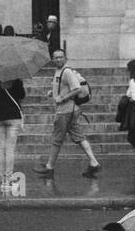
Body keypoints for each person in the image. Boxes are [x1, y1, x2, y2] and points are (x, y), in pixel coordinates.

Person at [34, 49, 101, 178]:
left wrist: (62, 98)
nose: (58, 59)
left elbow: (77, 89)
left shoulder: (67, 71)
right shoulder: (59, 71)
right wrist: (52, 92)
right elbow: (62, 86)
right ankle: (94, 163)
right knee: (79, 137)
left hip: (66, 111)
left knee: (56, 139)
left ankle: (49, 167)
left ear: (65, 58)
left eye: (61, 57)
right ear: (52, 59)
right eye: (56, 57)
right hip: (71, 110)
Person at [0, 75, 25, 190]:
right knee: (10, 150)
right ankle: (9, 180)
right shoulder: (16, 79)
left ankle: (2, 180)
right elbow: (22, 95)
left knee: (0, 148)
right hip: (13, 116)